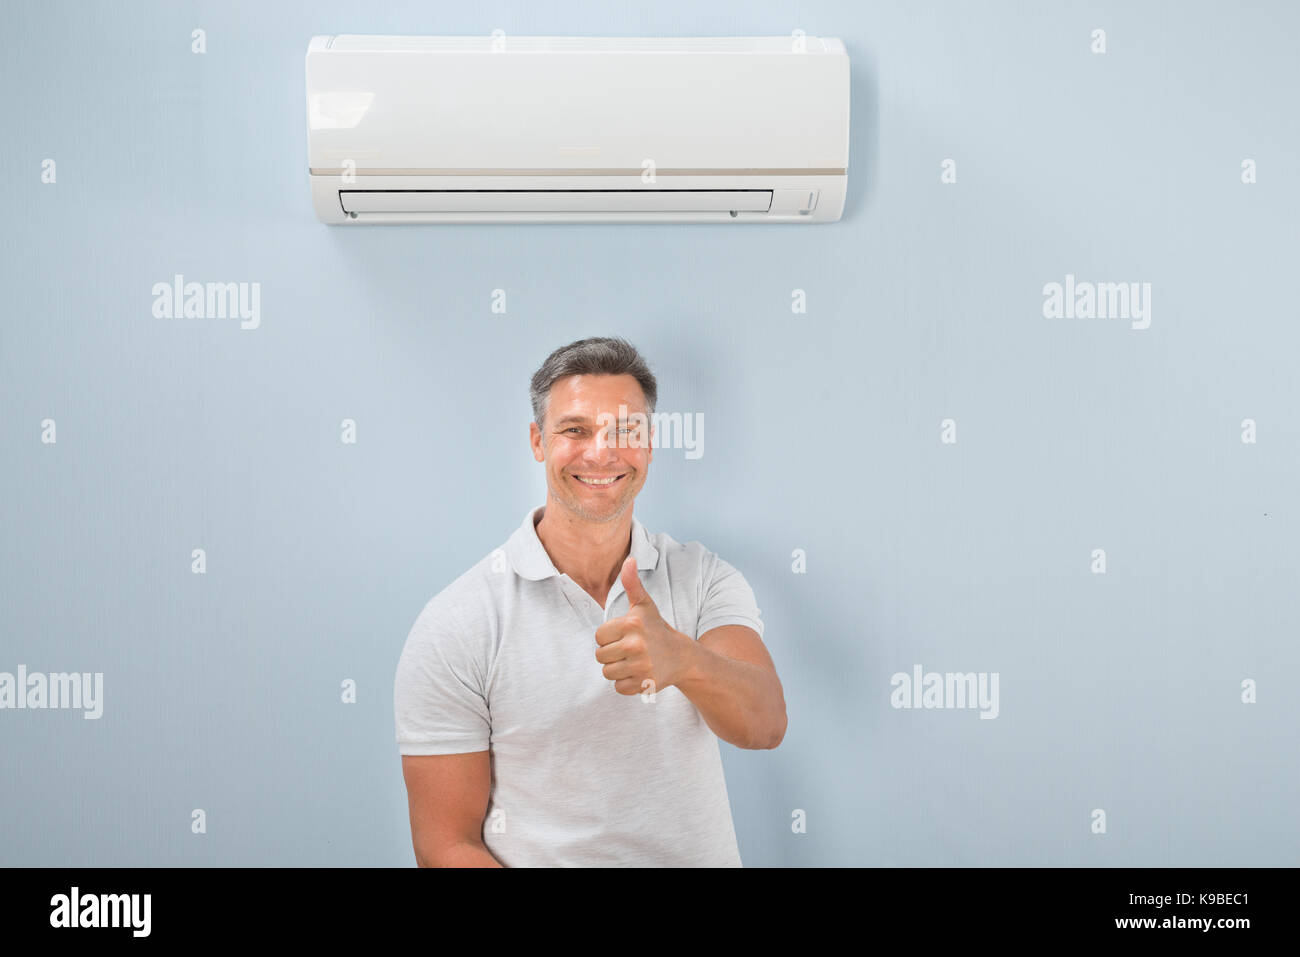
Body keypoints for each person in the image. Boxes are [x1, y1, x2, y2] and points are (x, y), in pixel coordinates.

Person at [394, 336, 786, 866]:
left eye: (625, 430)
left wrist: (683, 661)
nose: (601, 452)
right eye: (575, 430)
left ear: (648, 444)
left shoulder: (703, 577)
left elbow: (765, 724)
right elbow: (446, 845)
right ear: (537, 441)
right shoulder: (458, 621)